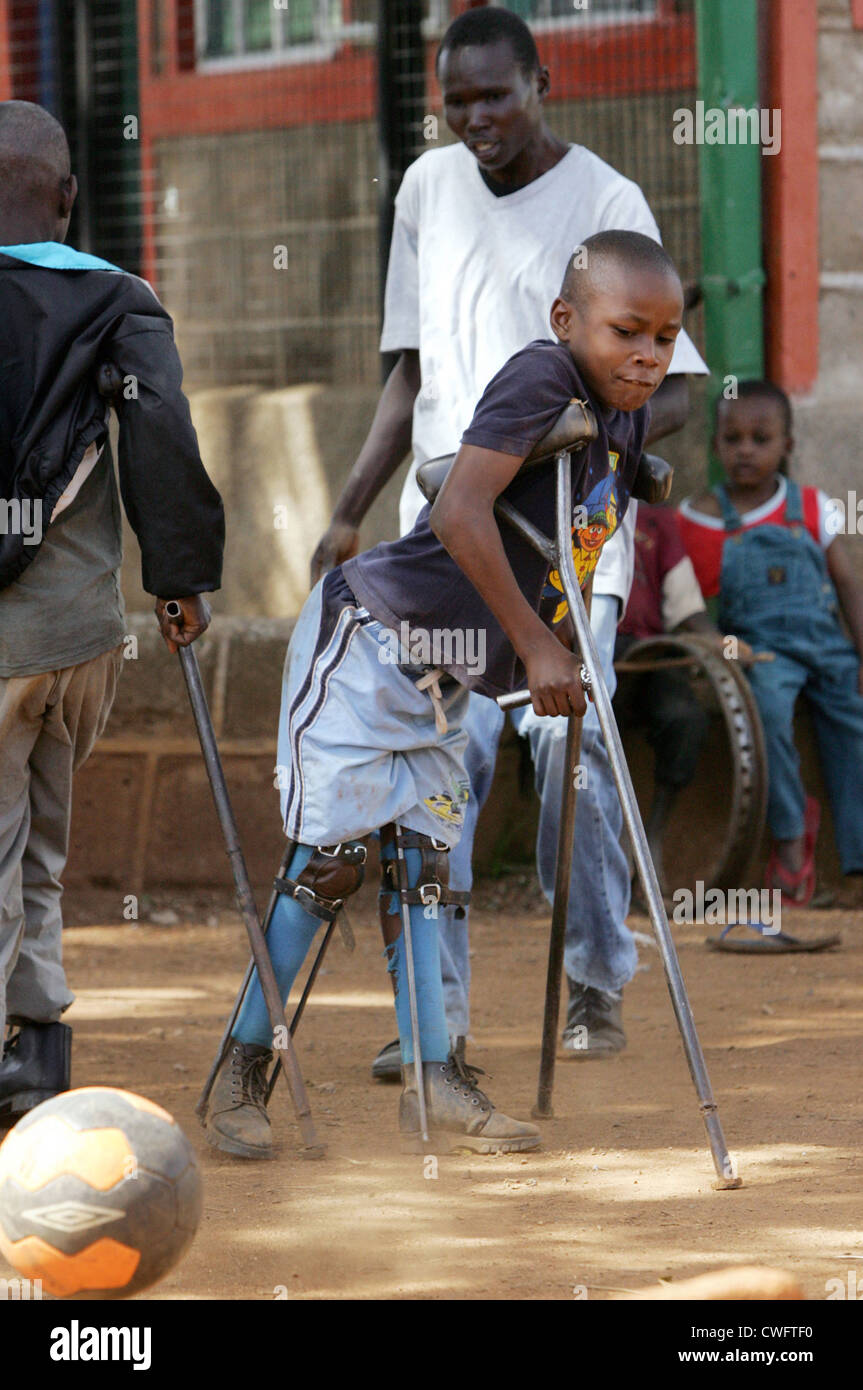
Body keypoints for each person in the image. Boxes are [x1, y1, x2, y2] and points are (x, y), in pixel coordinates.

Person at [204, 228, 685, 1160]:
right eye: (628, 331)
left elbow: (571, 543)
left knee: (428, 872)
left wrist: (569, 646)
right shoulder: (540, 377)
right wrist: (534, 649)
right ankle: (240, 1072)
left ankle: (435, 1083)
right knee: (329, 864)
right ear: (565, 320)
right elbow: (458, 510)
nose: (648, 356)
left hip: (443, 676)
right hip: (369, 643)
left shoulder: (623, 414)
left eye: (664, 340)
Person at [310, 6, 707, 1075]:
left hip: (565, 544)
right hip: (446, 537)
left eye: (496, 94)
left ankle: (590, 974)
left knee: (567, 755)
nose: (476, 116)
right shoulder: (424, 190)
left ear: (543, 84)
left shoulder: (605, 201)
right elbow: (412, 372)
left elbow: (661, 385)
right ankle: (433, 1019)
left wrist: (572, 441)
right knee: (436, 770)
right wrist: (350, 506)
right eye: (458, 98)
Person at [0, 101, 225, 1124]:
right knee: (39, 846)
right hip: (84, 643)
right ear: (69, 197)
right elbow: (161, 439)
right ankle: (39, 1053)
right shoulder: (120, 298)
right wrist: (179, 577)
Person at [677, 380, 863, 908]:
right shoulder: (699, 519)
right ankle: (789, 838)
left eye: (762, 438)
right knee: (767, 713)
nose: (745, 450)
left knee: (854, 718)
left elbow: (848, 585)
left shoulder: (811, 505)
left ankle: (857, 854)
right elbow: (688, 602)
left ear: (789, 444)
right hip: (761, 652)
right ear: (714, 445)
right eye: (732, 438)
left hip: (828, 646)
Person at [613, 501, 754, 894]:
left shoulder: (656, 520)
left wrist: (726, 648)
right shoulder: (566, 500)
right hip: (593, 656)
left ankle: (651, 837)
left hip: (652, 653)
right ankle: (615, 842)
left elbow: (689, 613)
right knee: (593, 731)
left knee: (684, 718)